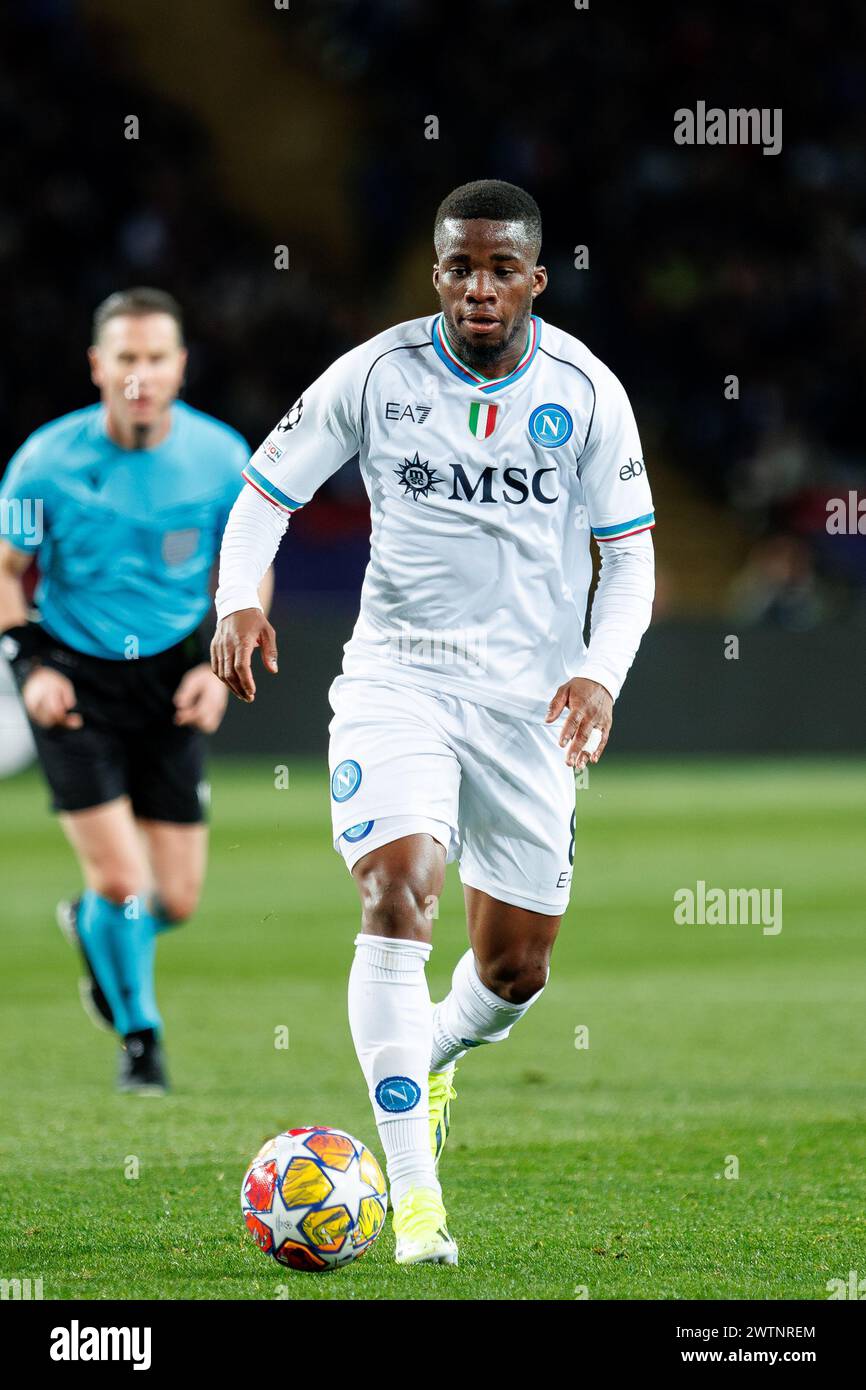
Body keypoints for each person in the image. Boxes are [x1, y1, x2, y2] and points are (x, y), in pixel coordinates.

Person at [211, 180, 655, 1264]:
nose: (479, 287)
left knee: (514, 970)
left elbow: (630, 553)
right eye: (460, 266)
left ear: (535, 278)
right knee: (396, 888)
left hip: (524, 704)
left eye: (503, 268)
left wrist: (597, 674)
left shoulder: (587, 393)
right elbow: (267, 486)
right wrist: (238, 596)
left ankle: (441, 1047)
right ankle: (416, 1207)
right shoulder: (376, 375)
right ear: (437, 272)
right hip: (395, 681)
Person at [0, 287, 271, 1093]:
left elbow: (249, 563)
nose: (140, 375)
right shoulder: (40, 463)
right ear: (98, 366)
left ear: (180, 366)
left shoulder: (224, 458)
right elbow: (8, 572)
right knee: (124, 885)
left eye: (156, 358)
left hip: (173, 677)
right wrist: (30, 668)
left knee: (176, 900)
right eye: (125, 358)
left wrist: (216, 666)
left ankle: (90, 931)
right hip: (72, 680)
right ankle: (141, 1042)